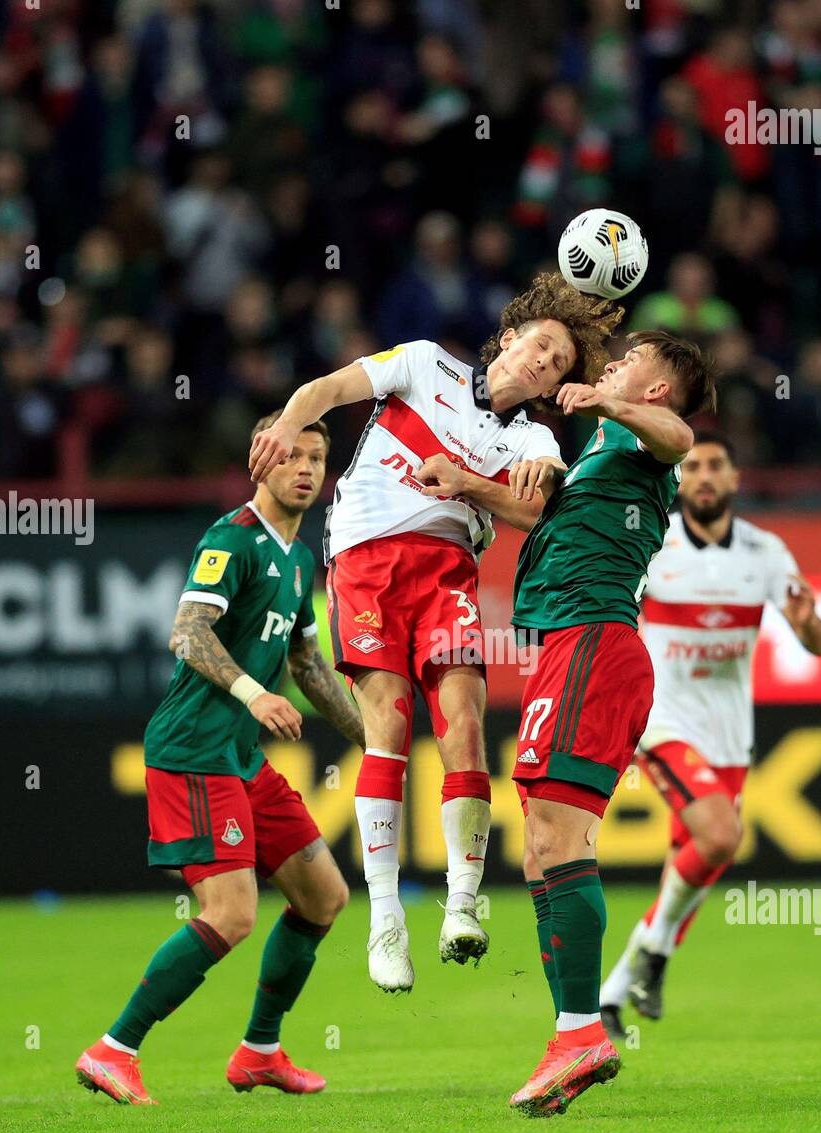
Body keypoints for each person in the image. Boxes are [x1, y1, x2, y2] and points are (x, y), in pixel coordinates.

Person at [249, 273, 622, 993]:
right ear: (510, 338)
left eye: (557, 364)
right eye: (540, 346)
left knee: (464, 725)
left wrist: (475, 483)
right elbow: (329, 389)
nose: (543, 363)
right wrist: (287, 427)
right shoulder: (424, 363)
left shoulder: (536, 438)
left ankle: (461, 903)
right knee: (386, 725)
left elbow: (534, 512)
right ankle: (385, 919)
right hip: (365, 560)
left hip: (447, 573)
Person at [76, 416, 364, 1105]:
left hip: (237, 756)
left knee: (324, 897)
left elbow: (307, 662)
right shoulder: (231, 539)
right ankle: (114, 1049)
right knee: (232, 913)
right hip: (193, 751)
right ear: (260, 461)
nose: (304, 467)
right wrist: (253, 693)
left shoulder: (300, 557)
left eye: (317, 457)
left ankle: (259, 1052)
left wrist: (372, 741)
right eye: (290, 454)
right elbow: (186, 632)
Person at [506, 330, 716, 1118]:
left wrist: (610, 397)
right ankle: (571, 1037)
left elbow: (685, 437)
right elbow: (542, 515)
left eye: (632, 362)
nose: (615, 365)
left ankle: (580, 1034)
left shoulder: (647, 435)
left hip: (597, 644)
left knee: (558, 842)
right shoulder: (604, 451)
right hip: (567, 645)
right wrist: (460, 482)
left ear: (657, 389)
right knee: (541, 847)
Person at [599, 430, 821, 1036]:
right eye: (693, 465)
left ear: (734, 479)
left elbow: (818, 640)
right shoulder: (655, 541)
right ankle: (654, 954)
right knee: (722, 834)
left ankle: (620, 984)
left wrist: (808, 627)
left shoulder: (765, 551)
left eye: (715, 466)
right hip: (663, 720)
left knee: (697, 860)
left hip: (730, 733)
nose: (703, 475)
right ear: (680, 478)